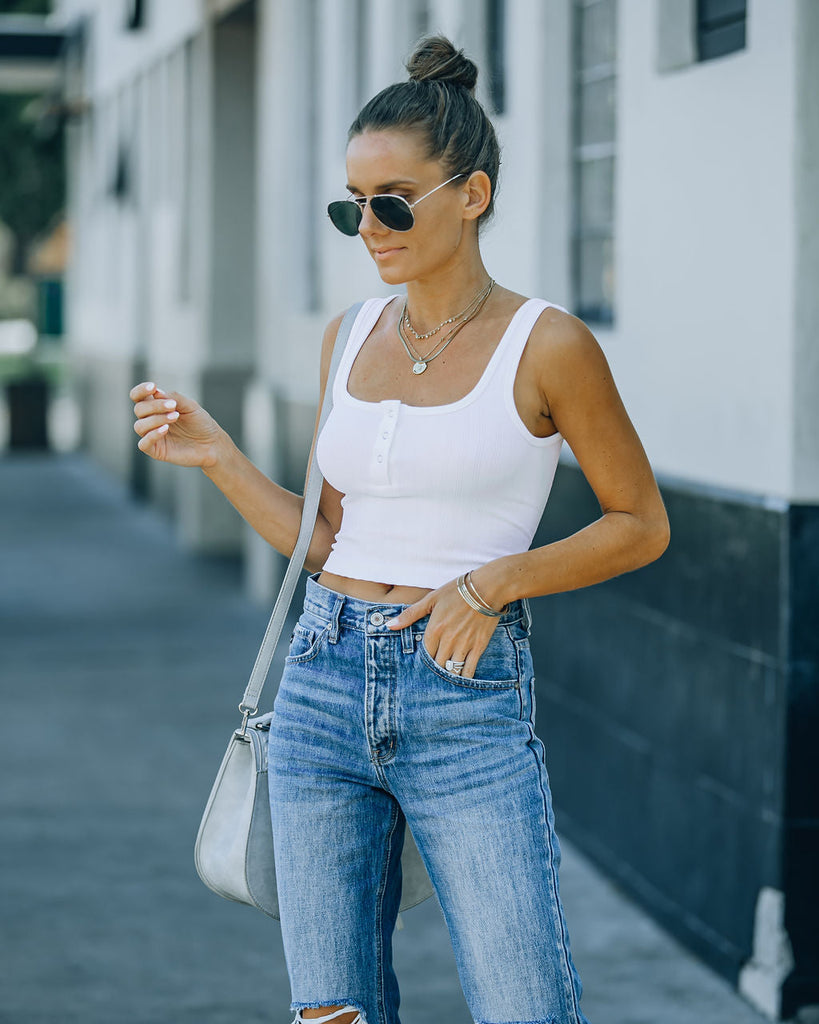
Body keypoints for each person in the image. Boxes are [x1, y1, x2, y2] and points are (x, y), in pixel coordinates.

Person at [131, 35, 669, 1024]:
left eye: (393, 202)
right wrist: (219, 458)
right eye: (352, 205)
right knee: (331, 1014)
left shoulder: (547, 343)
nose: (369, 228)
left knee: (523, 1004)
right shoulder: (349, 335)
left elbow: (640, 524)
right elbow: (327, 542)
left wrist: (489, 583)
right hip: (321, 679)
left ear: (472, 195)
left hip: (462, 691)